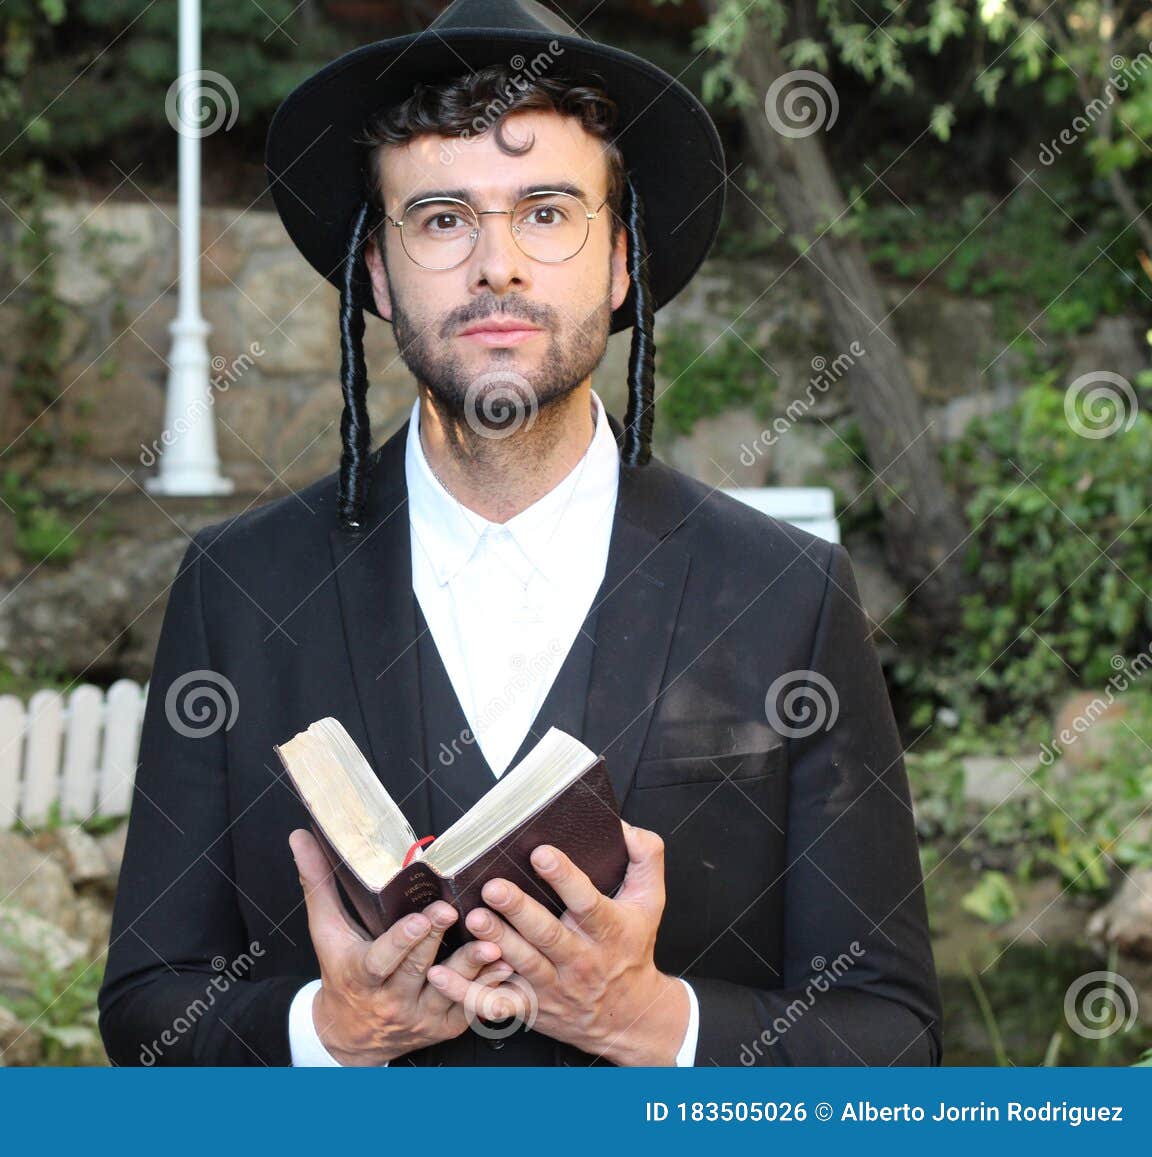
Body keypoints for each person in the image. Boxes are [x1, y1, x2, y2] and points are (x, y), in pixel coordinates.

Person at [98, 0, 941, 1067]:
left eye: (546, 212)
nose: (496, 263)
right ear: (376, 272)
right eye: (443, 219)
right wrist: (326, 1028)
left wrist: (652, 1021)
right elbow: (142, 1011)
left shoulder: (785, 594)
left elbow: (894, 1038)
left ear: (622, 262)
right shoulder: (239, 587)